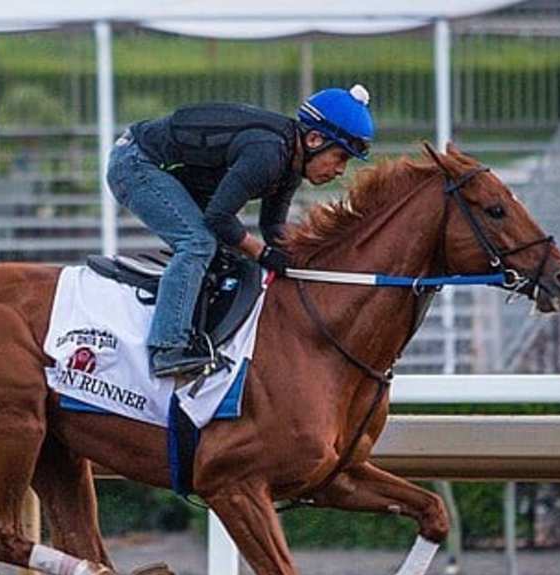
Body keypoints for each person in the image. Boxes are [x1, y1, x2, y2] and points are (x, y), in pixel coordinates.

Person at [106, 84, 376, 377]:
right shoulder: (269, 154)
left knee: (225, 253)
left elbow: (272, 227)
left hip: (166, 168)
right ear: (314, 139)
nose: (340, 170)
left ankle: (198, 335)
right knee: (198, 243)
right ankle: (167, 347)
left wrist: (305, 260)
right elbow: (219, 218)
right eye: (340, 157)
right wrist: (263, 253)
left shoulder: (290, 164)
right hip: (136, 163)